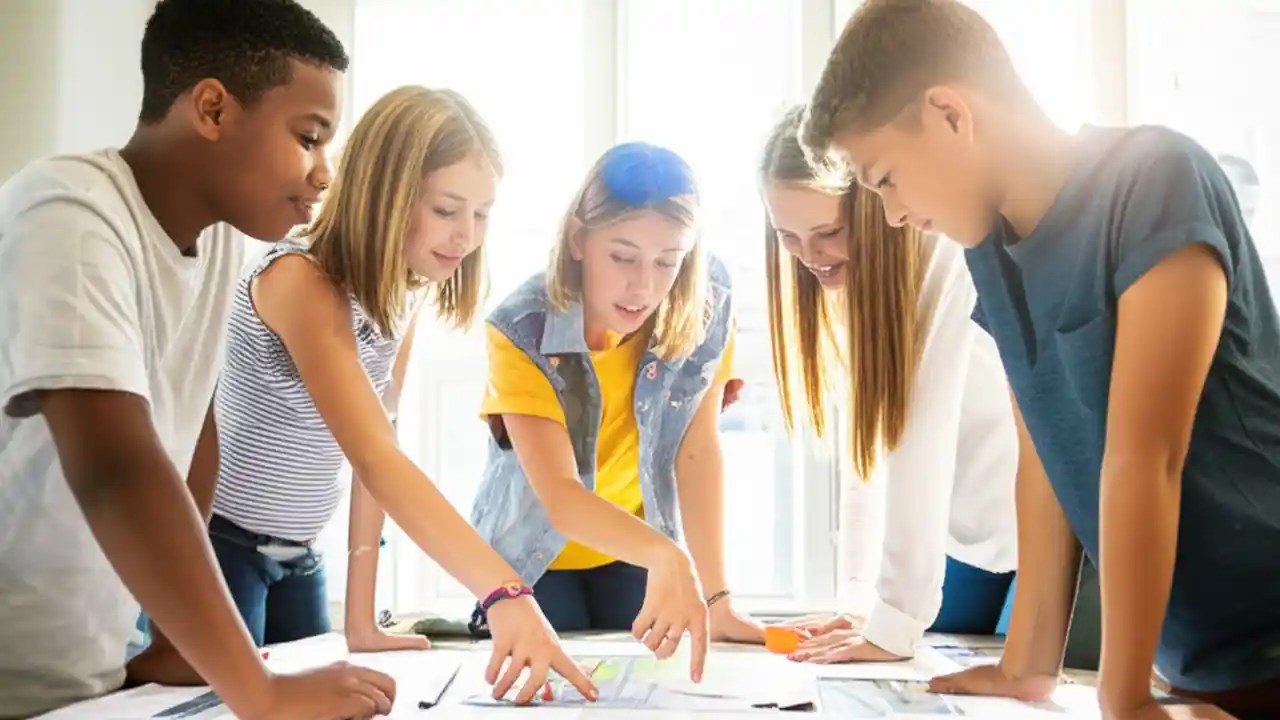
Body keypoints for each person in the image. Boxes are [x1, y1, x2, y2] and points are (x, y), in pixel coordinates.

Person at [801, 1, 1280, 718]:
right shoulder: (989, 249)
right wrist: (1026, 666)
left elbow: (1145, 457)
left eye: (887, 179)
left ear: (949, 115)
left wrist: (1122, 699)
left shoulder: (1156, 179)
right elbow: (1046, 456)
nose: (894, 215)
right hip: (1197, 664)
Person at [0, 1, 399, 717]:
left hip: (84, 678)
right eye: (308, 138)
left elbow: (193, 431)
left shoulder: (216, 242)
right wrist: (257, 690)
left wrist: (176, 641)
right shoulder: (68, 212)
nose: (323, 174)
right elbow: (117, 467)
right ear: (212, 109)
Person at [188, 84, 593, 706]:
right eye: (447, 209)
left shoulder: (402, 292)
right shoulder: (298, 278)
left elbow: (378, 445)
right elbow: (378, 458)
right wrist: (505, 592)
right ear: (387, 194)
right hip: (221, 550)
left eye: (481, 214)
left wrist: (361, 620)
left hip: (301, 559)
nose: (466, 236)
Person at [470, 142, 765, 683]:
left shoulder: (709, 300)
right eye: (623, 257)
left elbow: (697, 451)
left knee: (651, 686)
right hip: (535, 557)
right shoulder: (521, 327)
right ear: (579, 239)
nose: (643, 286)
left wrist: (717, 598)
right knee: (556, 692)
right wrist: (669, 557)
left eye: (667, 262)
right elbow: (561, 497)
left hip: (636, 544)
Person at [760, 106, 1017, 664]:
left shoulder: (942, 253)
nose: (809, 257)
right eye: (788, 238)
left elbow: (918, 438)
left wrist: (894, 621)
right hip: (968, 539)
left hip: (1047, 536)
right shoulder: (856, 291)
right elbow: (872, 458)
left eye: (828, 233)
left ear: (876, 205)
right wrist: (861, 603)